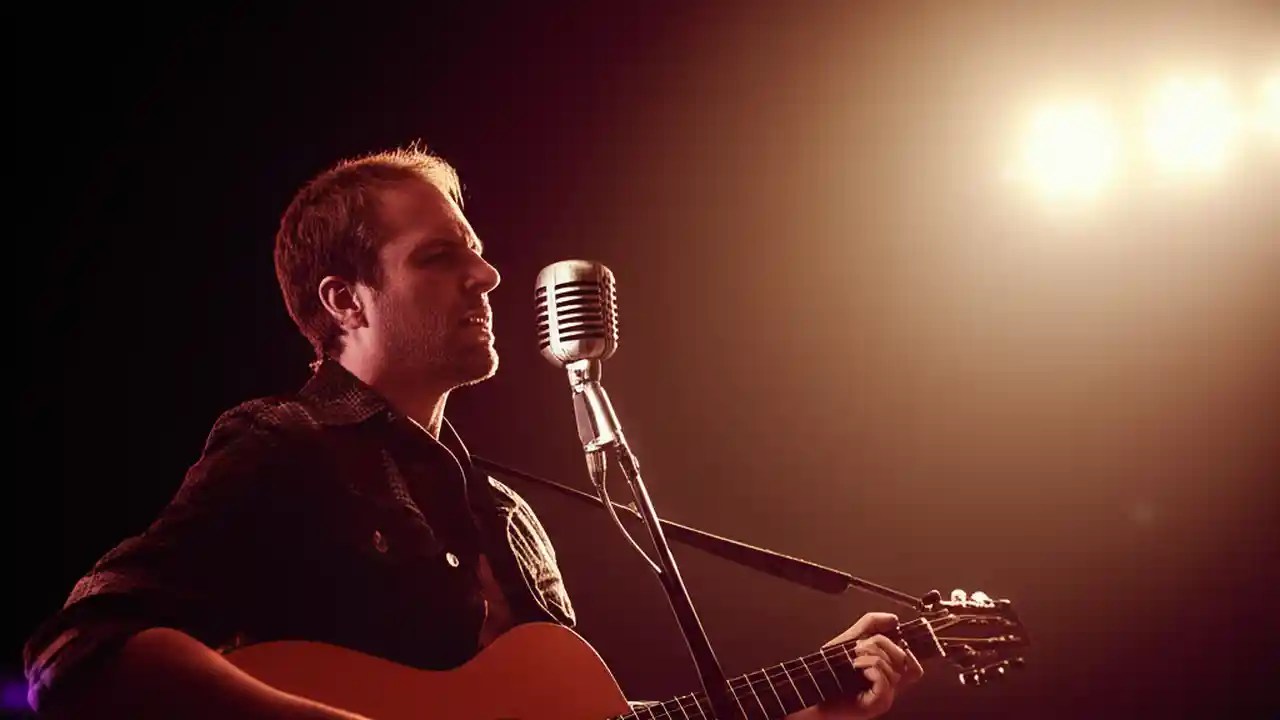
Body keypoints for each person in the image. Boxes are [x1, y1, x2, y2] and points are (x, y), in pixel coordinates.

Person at [23, 146, 923, 719]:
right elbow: (78, 651)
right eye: (439, 256)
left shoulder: (511, 518)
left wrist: (815, 700)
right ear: (345, 301)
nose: (488, 275)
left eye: (478, 250)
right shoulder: (284, 443)